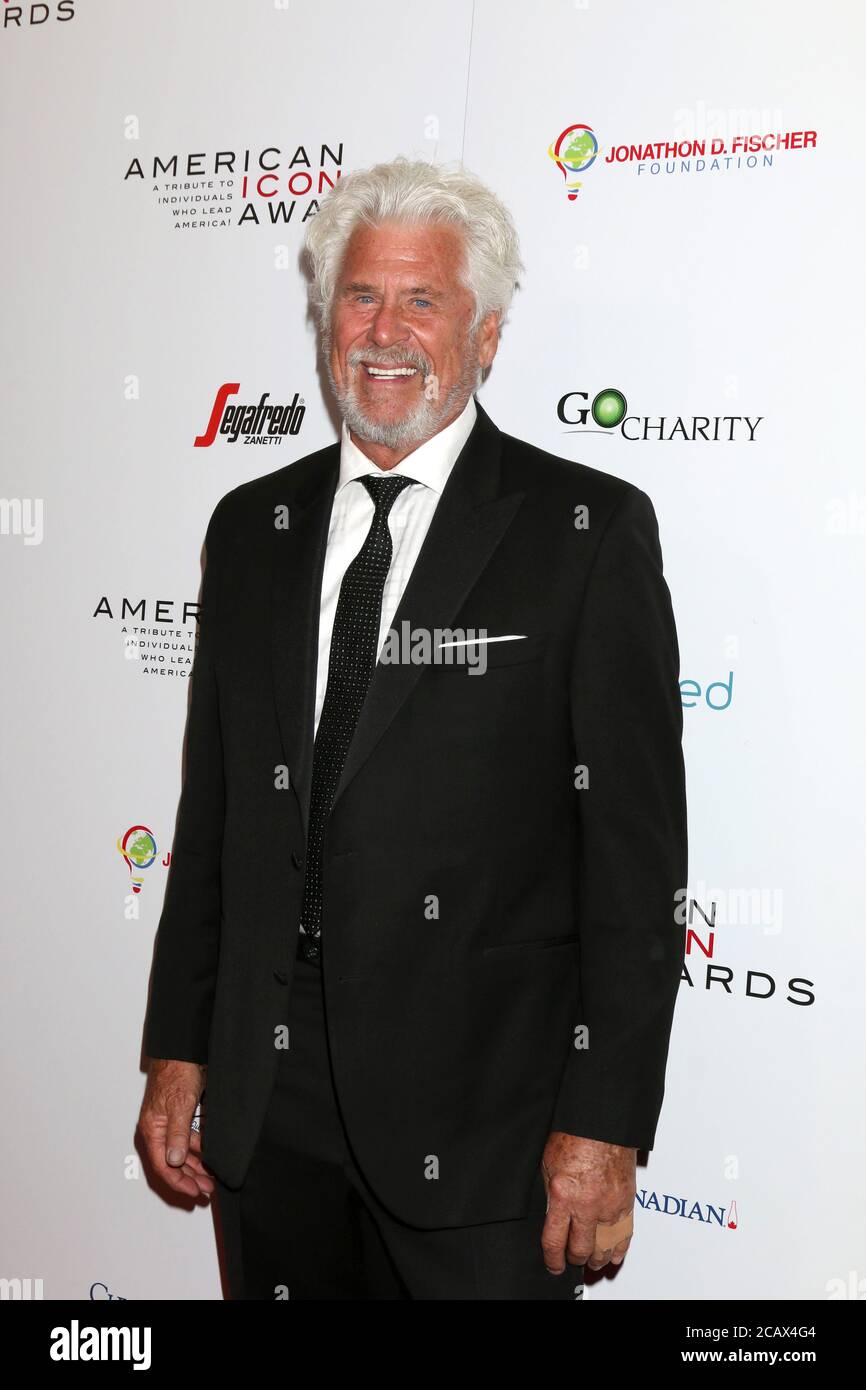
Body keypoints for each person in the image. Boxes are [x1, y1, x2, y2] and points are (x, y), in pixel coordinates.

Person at [138, 156, 688, 1301]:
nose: (384, 332)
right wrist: (181, 1046)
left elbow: (634, 871)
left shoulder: (582, 534)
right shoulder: (251, 529)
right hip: (270, 1110)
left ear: (484, 335)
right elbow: (220, 810)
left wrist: (604, 1123)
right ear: (324, 317)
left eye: (421, 300)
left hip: (486, 1125)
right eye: (359, 296)